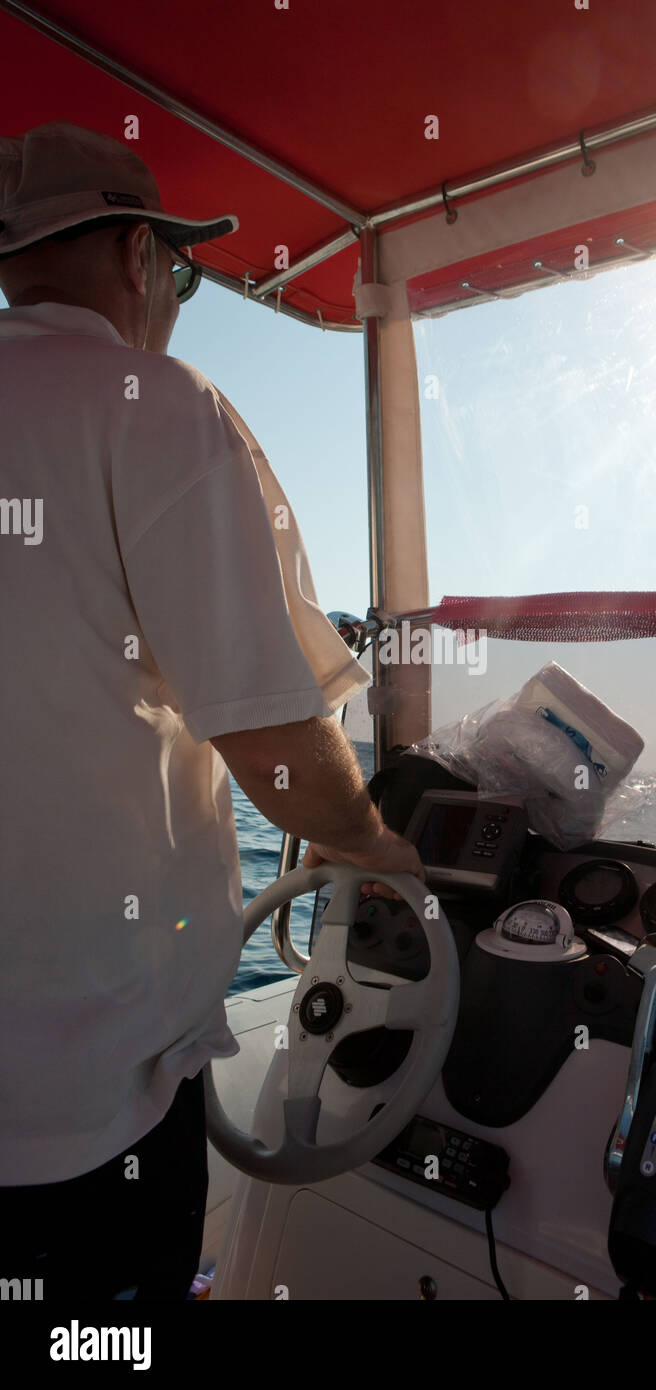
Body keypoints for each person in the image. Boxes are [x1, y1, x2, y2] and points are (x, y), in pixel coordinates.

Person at [0, 121, 424, 1301]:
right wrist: (372, 847)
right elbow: (278, 746)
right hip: (84, 1117)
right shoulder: (152, 405)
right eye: (183, 275)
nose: (178, 299)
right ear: (141, 257)